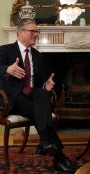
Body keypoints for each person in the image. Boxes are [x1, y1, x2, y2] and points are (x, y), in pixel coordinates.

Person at [0, 18, 77, 172]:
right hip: (11, 100)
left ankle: (47, 144)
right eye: (32, 31)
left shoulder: (37, 55)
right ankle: (57, 154)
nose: (36, 34)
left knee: (41, 95)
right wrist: (6, 69)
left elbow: (39, 84)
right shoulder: (5, 50)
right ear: (21, 32)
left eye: (37, 31)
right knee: (41, 109)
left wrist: (46, 86)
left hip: (32, 97)